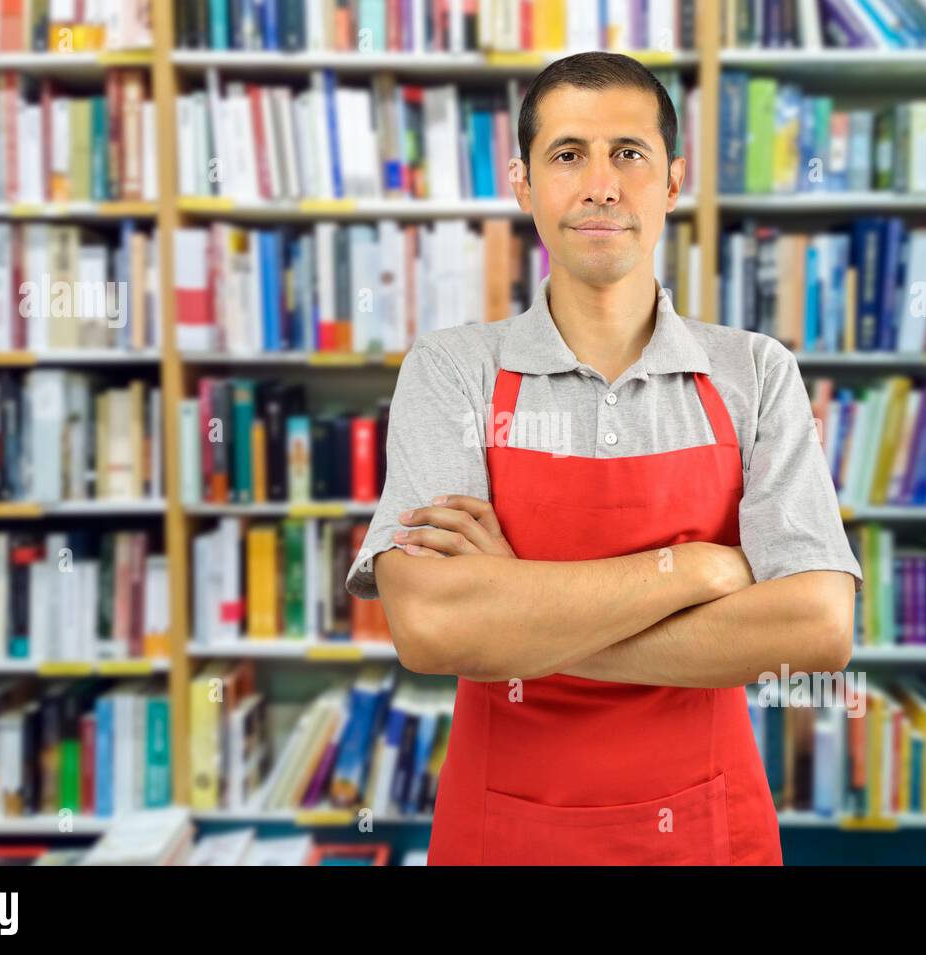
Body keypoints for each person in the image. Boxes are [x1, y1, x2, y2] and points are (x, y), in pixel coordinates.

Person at [345, 51, 862, 866]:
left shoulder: (755, 371)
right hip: (506, 834)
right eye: (567, 155)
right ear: (522, 183)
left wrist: (513, 618)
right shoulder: (453, 371)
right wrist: (696, 570)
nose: (601, 184)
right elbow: (433, 625)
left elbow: (819, 626)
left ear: (673, 179)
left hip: (709, 831)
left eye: (629, 153)